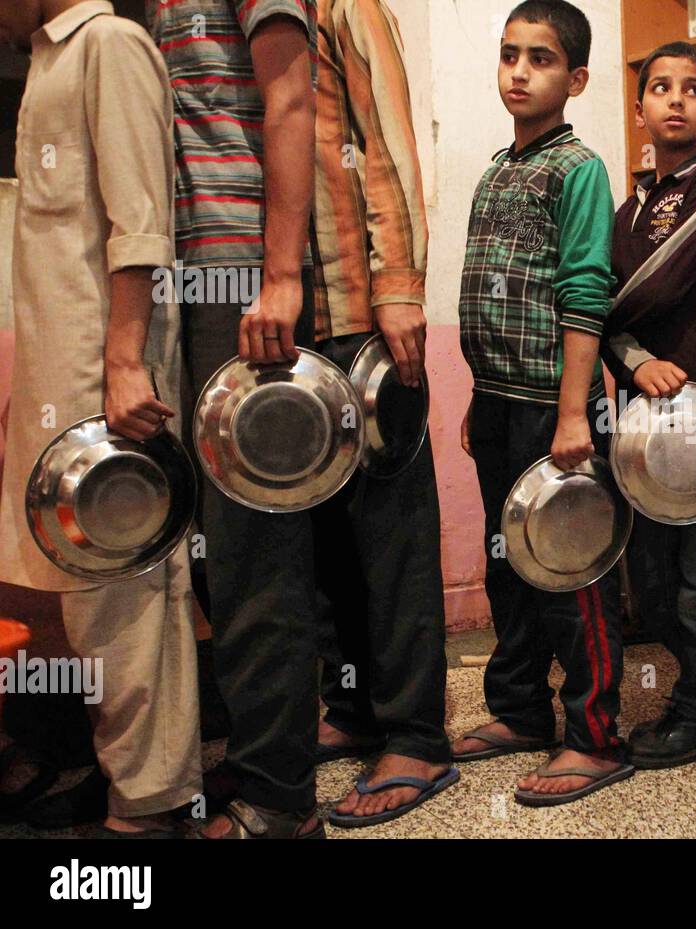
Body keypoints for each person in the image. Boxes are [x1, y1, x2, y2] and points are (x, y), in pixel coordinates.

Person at [0, 0, 202, 837]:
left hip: (103, 379)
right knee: (85, 598)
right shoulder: (53, 57)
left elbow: (140, 225)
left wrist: (123, 365)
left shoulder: (110, 47)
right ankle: (126, 777)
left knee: (125, 595)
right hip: (65, 373)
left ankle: (150, 805)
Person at [147, 0, 323, 838]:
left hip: (241, 273)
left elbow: (291, 93)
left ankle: (283, 802)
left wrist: (280, 274)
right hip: (180, 276)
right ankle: (256, 756)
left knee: (256, 550)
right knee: (211, 546)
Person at [451, 0, 632, 807]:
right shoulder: (499, 166)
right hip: (499, 401)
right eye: (509, 55)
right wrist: (479, 398)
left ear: (577, 77)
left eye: (541, 59)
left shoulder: (578, 168)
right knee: (507, 568)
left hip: (555, 409)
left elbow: (585, 290)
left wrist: (570, 412)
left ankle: (594, 736)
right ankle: (520, 709)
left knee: (571, 571)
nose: (519, 71)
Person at [310, 0, 458, 828]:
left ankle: (416, 735)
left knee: (392, 532)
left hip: (364, 313)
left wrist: (399, 285)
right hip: (297, 322)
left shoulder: (347, 6)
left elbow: (390, 151)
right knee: (325, 533)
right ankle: (357, 706)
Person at [600, 42, 696, 769]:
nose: (676, 99)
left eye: (693, 90)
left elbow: (649, 290)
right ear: (639, 110)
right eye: (661, 87)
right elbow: (616, 324)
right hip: (639, 416)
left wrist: (586, 317)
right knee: (653, 576)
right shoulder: (626, 211)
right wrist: (629, 355)